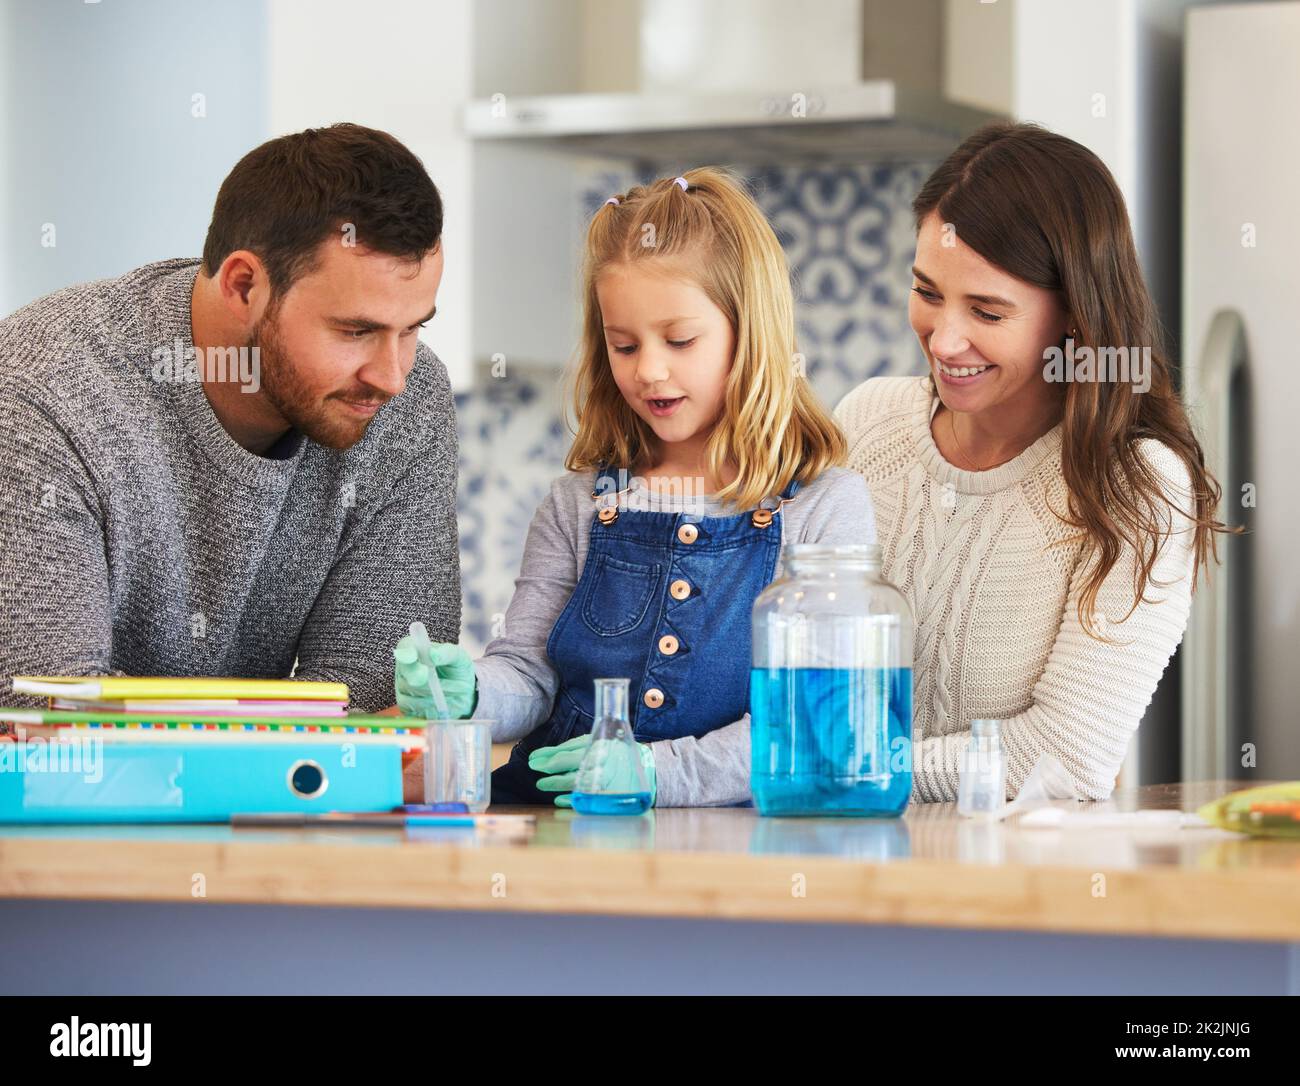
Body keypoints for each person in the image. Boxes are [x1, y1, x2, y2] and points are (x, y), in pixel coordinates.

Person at [395, 168, 874, 807]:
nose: (649, 370)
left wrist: (657, 774)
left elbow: (813, 727)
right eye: (624, 346)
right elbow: (529, 675)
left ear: (750, 333)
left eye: (680, 340)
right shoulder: (577, 504)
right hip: (554, 824)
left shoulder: (824, 509)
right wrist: (472, 692)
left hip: (729, 845)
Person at [0, 123, 460, 712]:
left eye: (414, 327)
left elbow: (374, 705)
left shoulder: (409, 398)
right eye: (356, 331)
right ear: (244, 286)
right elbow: (50, 717)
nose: (391, 375)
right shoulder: (43, 393)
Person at [834, 122, 1230, 801]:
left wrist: (841, 773)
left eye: (987, 312)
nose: (946, 338)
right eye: (927, 293)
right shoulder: (867, 423)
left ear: (1074, 316)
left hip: (1019, 887)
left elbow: (1066, 757)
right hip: (834, 860)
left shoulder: (1137, 489)